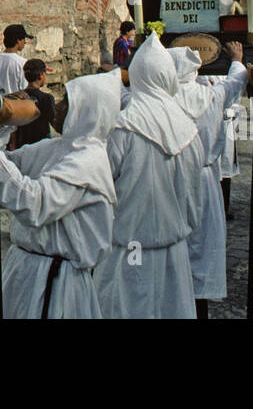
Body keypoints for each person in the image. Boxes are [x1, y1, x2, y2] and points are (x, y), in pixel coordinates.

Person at [0, 71, 121, 318]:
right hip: (25, 272)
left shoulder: (87, 161)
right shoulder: (58, 147)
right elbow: (5, 162)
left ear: (86, 110)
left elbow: (34, 203)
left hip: (54, 283)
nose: (57, 106)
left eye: (67, 101)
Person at [94, 32, 206, 319]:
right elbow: (195, 199)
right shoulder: (188, 130)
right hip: (173, 248)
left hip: (130, 247)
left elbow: (103, 191)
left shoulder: (122, 129)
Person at [169, 41, 249, 318]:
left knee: (176, 244)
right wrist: (237, 59)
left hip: (174, 178)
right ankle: (199, 306)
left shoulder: (164, 99)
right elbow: (237, 82)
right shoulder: (212, 95)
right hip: (204, 180)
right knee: (201, 246)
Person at [0, 24, 30, 148]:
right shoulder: (22, 63)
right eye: (23, 40)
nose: (24, 43)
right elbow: (24, 90)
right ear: (18, 40)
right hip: (14, 113)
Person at [14, 58, 57, 148]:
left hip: (22, 146)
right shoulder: (47, 98)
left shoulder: (17, 97)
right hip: (41, 146)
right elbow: (55, 123)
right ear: (41, 75)